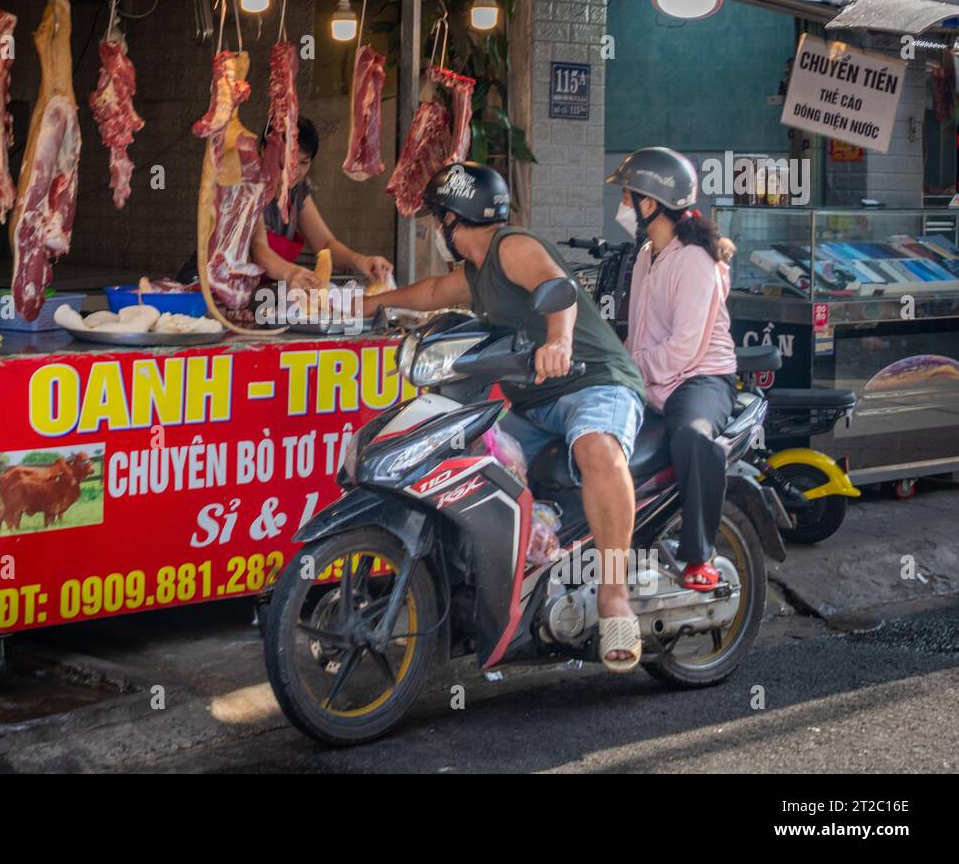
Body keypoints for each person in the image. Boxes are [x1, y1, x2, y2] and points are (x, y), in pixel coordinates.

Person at [362, 162, 649, 672]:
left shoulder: (512, 247)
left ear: (452, 220)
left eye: (437, 219)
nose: (435, 229)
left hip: (595, 382)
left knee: (596, 448)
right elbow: (431, 293)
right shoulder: (476, 271)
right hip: (536, 403)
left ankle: (614, 595)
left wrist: (559, 340)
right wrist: (373, 304)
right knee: (465, 459)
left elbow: (556, 287)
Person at [608, 147, 738, 591]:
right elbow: (639, 332)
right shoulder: (648, 254)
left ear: (650, 203)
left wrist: (632, 368)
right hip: (652, 378)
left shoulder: (696, 261)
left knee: (691, 435)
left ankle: (701, 556)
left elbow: (685, 348)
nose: (623, 206)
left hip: (702, 379)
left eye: (627, 197)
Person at [250, 119, 393, 294]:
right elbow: (258, 248)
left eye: (304, 162)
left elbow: (325, 244)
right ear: (265, 150)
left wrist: (360, 260)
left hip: (267, 297)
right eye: (288, 159)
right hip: (236, 294)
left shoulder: (296, 192)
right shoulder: (248, 188)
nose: (295, 170)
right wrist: (290, 272)